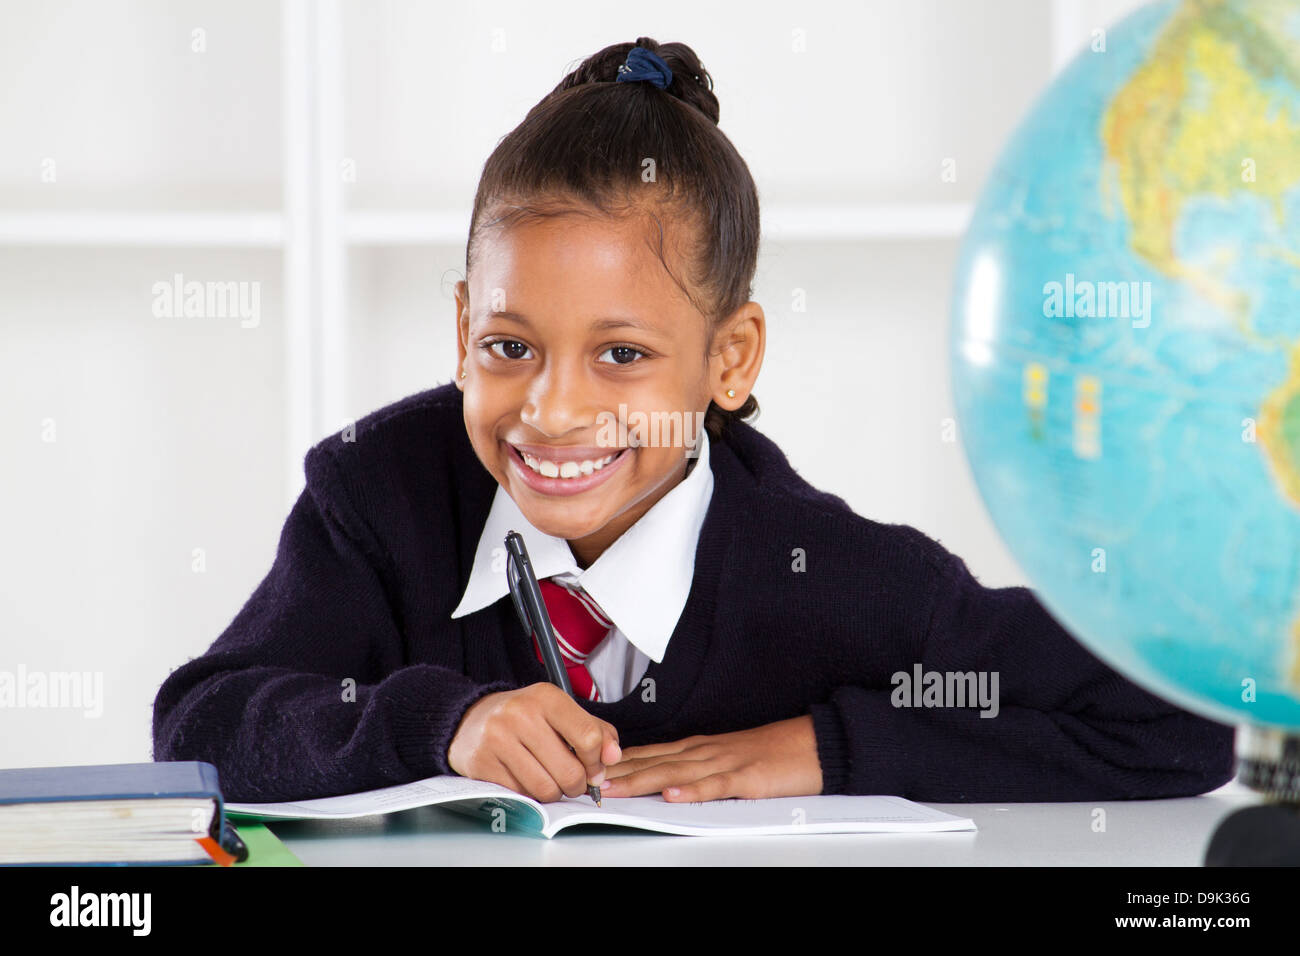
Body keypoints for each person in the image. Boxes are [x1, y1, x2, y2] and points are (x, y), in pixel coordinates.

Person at [152, 38, 1235, 805]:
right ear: (460, 327)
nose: (552, 408)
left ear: (730, 358)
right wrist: (447, 721)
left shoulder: (827, 574)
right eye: (508, 344)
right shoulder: (383, 493)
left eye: (621, 354)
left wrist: (831, 744)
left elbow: (1179, 719)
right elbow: (201, 723)